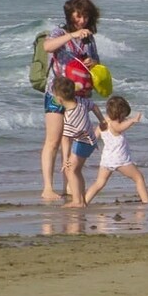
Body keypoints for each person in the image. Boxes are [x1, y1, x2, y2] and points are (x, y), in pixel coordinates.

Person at [40, 0, 102, 201]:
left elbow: (97, 63)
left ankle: (68, 183)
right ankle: (48, 187)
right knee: (53, 141)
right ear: (70, 15)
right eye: (78, 16)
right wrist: (71, 35)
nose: (82, 20)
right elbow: (47, 47)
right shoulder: (60, 32)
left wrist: (92, 63)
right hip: (56, 93)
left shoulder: (89, 38)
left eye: (85, 16)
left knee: (73, 138)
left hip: (78, 98)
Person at [84, 95, 148, 205]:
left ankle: (84, 201)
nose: (124, 118)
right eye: (124, 115)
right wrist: (133, 120)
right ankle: (146, 202)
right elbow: (119, 128)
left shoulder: (103, 121)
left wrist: (92, 142)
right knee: (139, 178)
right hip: (119, 159)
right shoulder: (115, 124)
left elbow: (95, 135)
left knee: (99, 183)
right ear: (120, 113)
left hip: (106, 160)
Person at [51, 76, 96, 208]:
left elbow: (66, 139)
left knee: (70, 170)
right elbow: (94, 106)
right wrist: (102, 120)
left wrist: (65, 158)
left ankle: (78, 201)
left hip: (82, 143)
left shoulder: (69, 117)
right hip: (89, 140)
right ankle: (81, 199)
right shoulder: (81, 102)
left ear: (59, 99)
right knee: (77, 171)